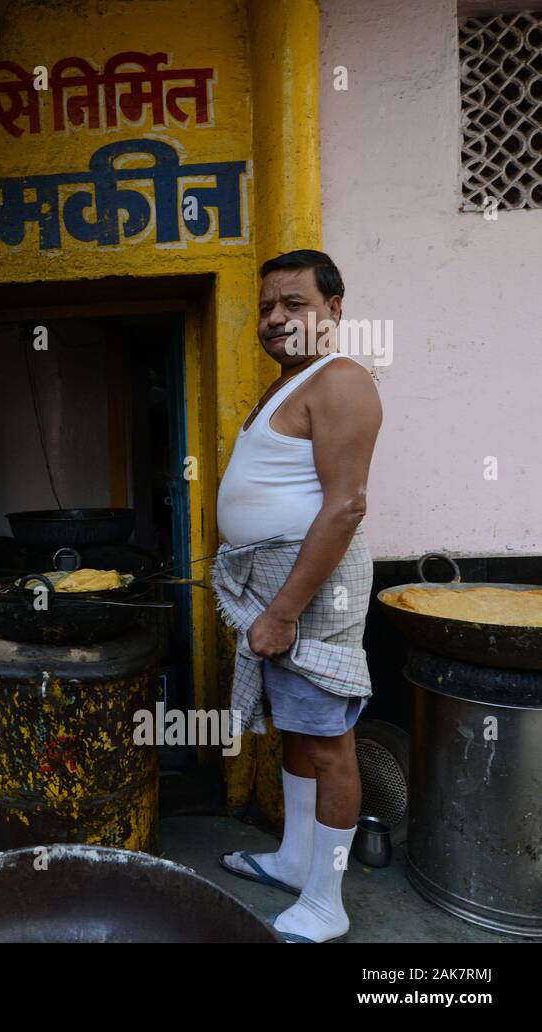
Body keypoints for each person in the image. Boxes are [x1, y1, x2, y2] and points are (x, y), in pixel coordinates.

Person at [213, 249, 382, 944]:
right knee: (297, 731)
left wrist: (282, 611)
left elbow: (345, 508)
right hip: (276, 581)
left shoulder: (341, 381)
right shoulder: (291, 383)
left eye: (296, 304)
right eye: (267, 307)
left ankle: (326, 900)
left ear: (334, 310)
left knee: (328, 742)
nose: (277, 319)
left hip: (310, 589)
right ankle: (292, 860)